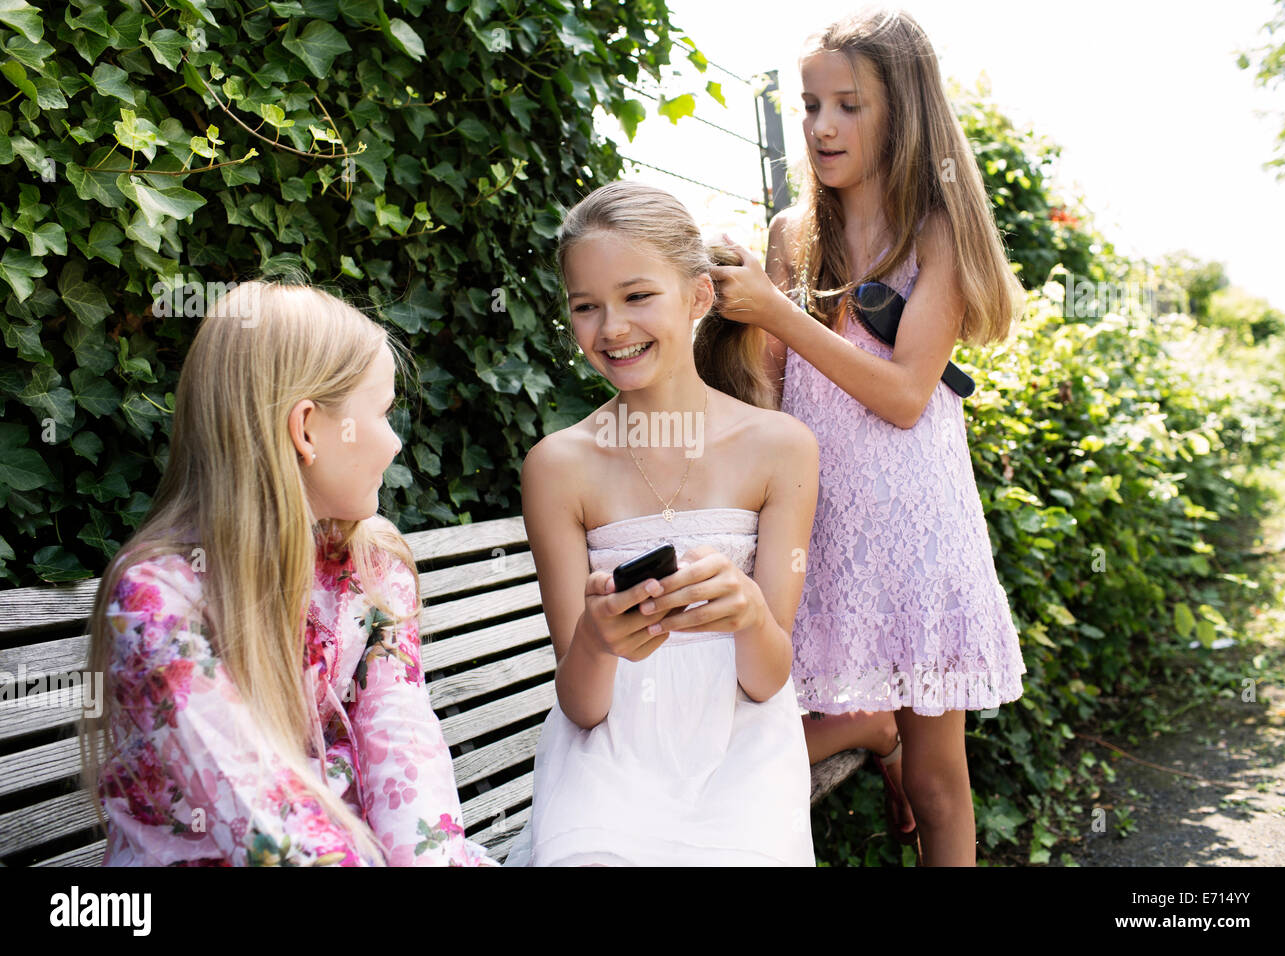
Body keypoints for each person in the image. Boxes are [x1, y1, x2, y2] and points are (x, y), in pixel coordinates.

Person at [710, 7, 1027, 866]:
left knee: (937, 780)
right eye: (809, 105)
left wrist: (779, 310)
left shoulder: (938, 231)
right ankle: (870, 728)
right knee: (772, 731)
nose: (820, 127)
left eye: (848, 105)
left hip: (918, 524)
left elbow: (903, 395)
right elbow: (768, 390)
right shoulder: (792, 236)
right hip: (822, 523)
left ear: (904, 112)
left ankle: (891, 736)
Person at [80, 280, 496, 866]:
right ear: (305, 430)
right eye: (381, 414)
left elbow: (401, 743)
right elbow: (264, 822)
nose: (397, 444)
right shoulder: (159, 603)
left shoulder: (373, 567)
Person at [504, 181, 819, 866]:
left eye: (637, 296)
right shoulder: (557, 466)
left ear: (700, 297)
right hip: (609, 760)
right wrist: (597, 636)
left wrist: (748, 616)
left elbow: (767, 679)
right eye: (586, 307)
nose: (611, 328)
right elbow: (583, 706)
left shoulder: (781, 447)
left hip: (743, 753)